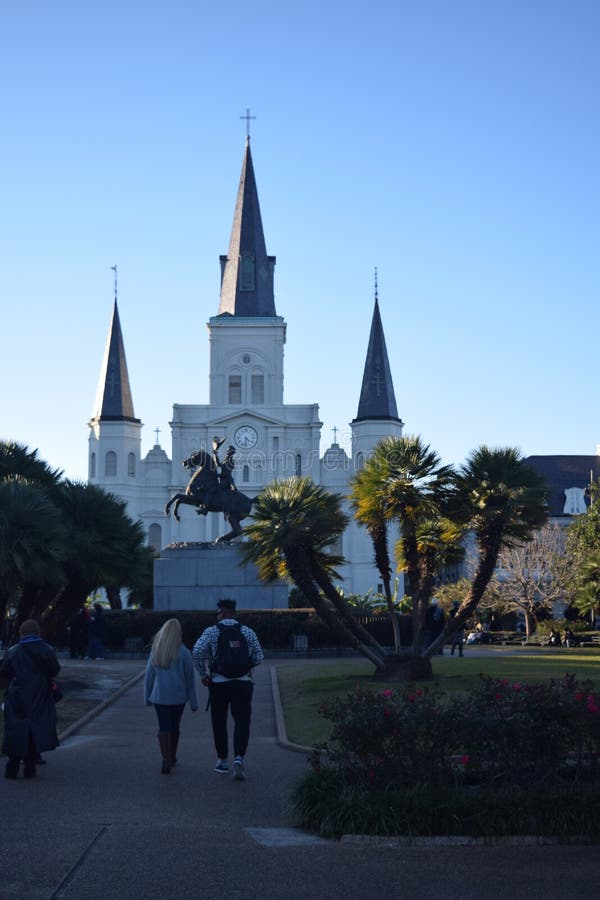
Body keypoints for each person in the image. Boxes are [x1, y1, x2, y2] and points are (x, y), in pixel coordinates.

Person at [193, 599, 263, 781]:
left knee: (219, 721)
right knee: (242, 720)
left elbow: (197, 652)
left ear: (222, 613)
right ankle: (239, 757)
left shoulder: (211, 631)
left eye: (218, 613)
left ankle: (222, 760)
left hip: (218, 683)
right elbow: (259, 657)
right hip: (243, 682)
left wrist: (203, 674)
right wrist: (245, 666)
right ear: (234, 613)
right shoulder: (247, 632)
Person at [1, 619, 60, 779]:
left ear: (21, 632)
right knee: (35, 729)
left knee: (15, 730)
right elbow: (55, 670)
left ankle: (11, 767)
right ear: (37, 632)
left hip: (17, 694)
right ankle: (30, 767)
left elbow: (5, 672)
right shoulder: (47, 649)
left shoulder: (14, 650)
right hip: (39, 693)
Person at [144, 619, 198, 774]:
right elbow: (190, 680)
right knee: (175, 727)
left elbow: (149, 677)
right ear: (178, 633)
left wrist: (146, 697)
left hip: (160, 697)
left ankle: (165, 758)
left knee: (163, 727)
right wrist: (193, 703)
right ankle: (172, 756)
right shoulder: (185, 652)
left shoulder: (156, 651)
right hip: (178, 698)